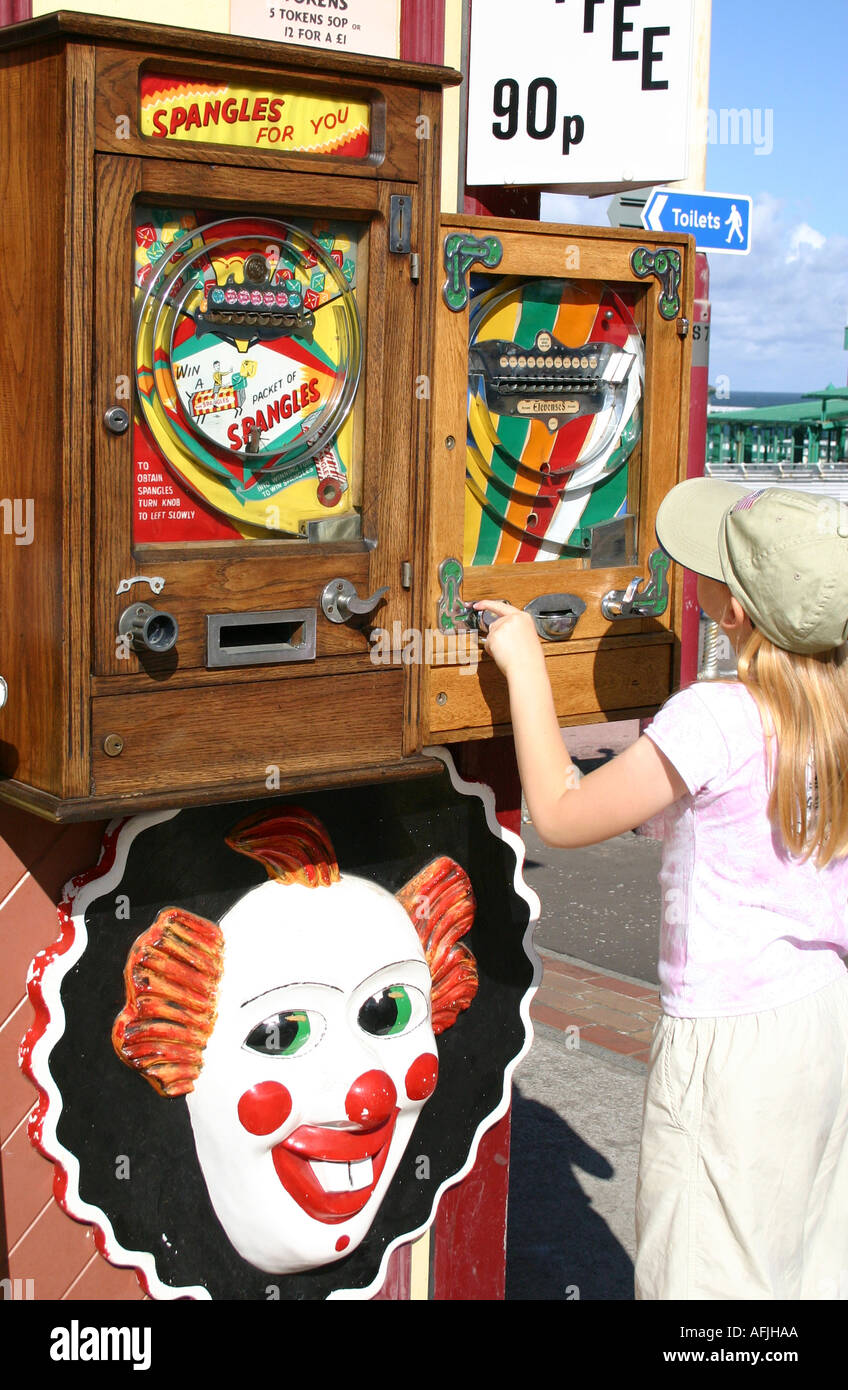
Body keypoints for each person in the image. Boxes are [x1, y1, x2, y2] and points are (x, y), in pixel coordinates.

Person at [478, 480, 848, 1300]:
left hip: (729, 1039)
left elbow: (564, 811)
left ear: (736, 613)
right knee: (803, 1262)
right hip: (822, 1017)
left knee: (709, 1276)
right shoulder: (833, 706)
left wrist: (526, 664)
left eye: (713, 568)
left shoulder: (715, 715)